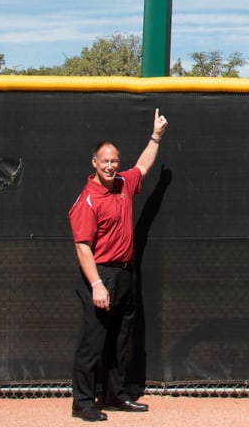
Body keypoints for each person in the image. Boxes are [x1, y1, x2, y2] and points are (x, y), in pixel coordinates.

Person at [68, 108, 168, 422]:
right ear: (94, 163)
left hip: (125, 274)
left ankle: (114, 396)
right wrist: (97, 284)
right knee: (92, 343)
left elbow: (142, 167)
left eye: (114, 161)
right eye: (105, 161)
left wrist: (156, 137)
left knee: (120, 341)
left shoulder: (123, 183)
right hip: (102, 275)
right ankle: (83, 403)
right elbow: (83, 248)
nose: (110, 166)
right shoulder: (88, 200)